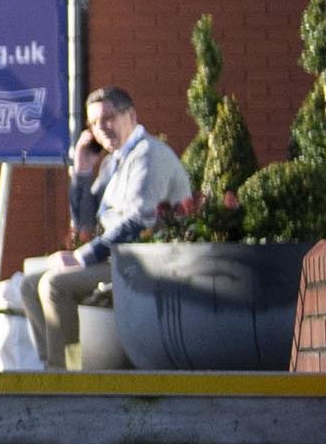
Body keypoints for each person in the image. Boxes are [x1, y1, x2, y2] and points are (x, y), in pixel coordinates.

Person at [18, 87, 194, 368]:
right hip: (115, 260)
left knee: (54, 285)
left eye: (108, 118)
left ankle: (64, 371)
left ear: (131, 115)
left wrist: (79, 257)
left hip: (146, 263)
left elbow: (138, 223)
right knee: (28, 285)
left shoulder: (149, 155)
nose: (101, 129)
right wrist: (83, 172)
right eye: (93, 123)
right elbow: (85, 223)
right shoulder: (113, 162)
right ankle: (56, 364)